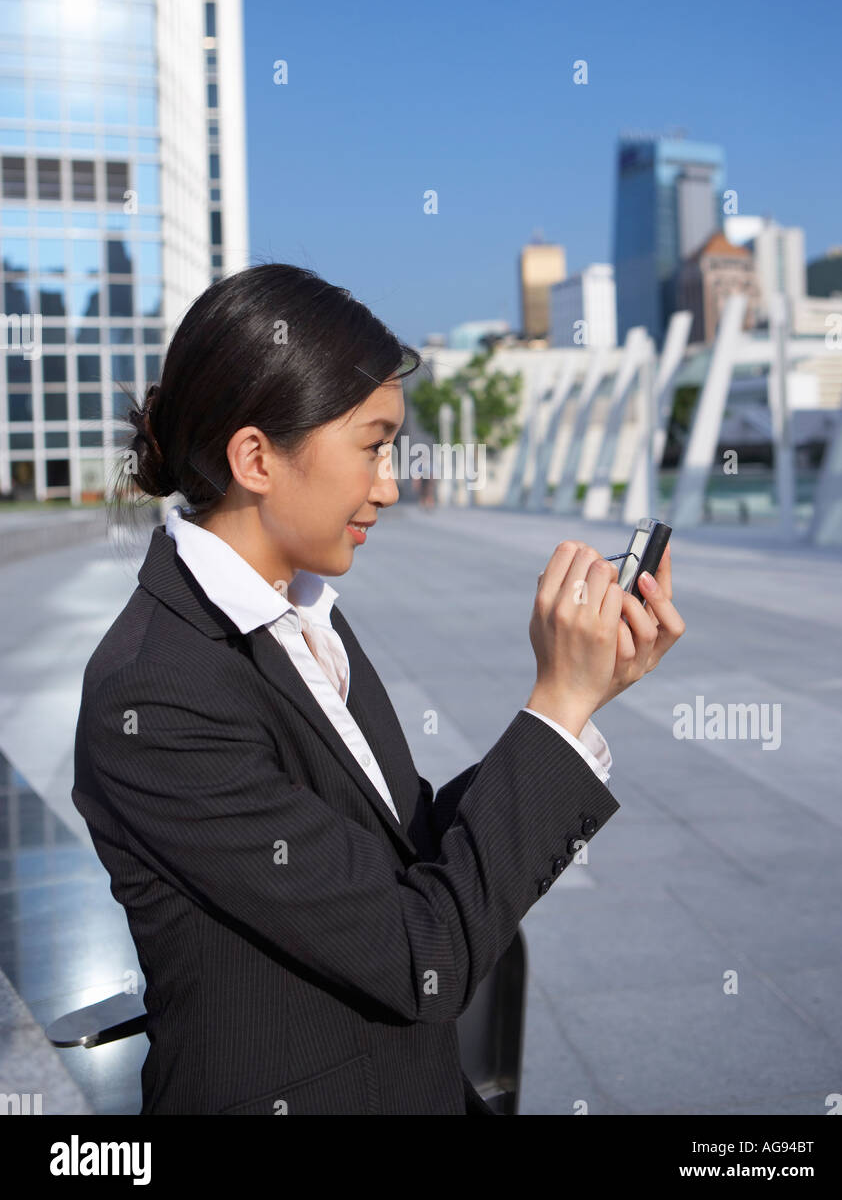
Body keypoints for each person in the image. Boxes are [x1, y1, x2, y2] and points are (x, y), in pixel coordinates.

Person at [72, 263, 685, 1116]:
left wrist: (576, 704)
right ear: (256, 457)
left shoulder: (301, 612)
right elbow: (417, 952)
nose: (390, 486)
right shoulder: (157, 696)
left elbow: (404, 851)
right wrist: (556, 707)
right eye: (372, 446)